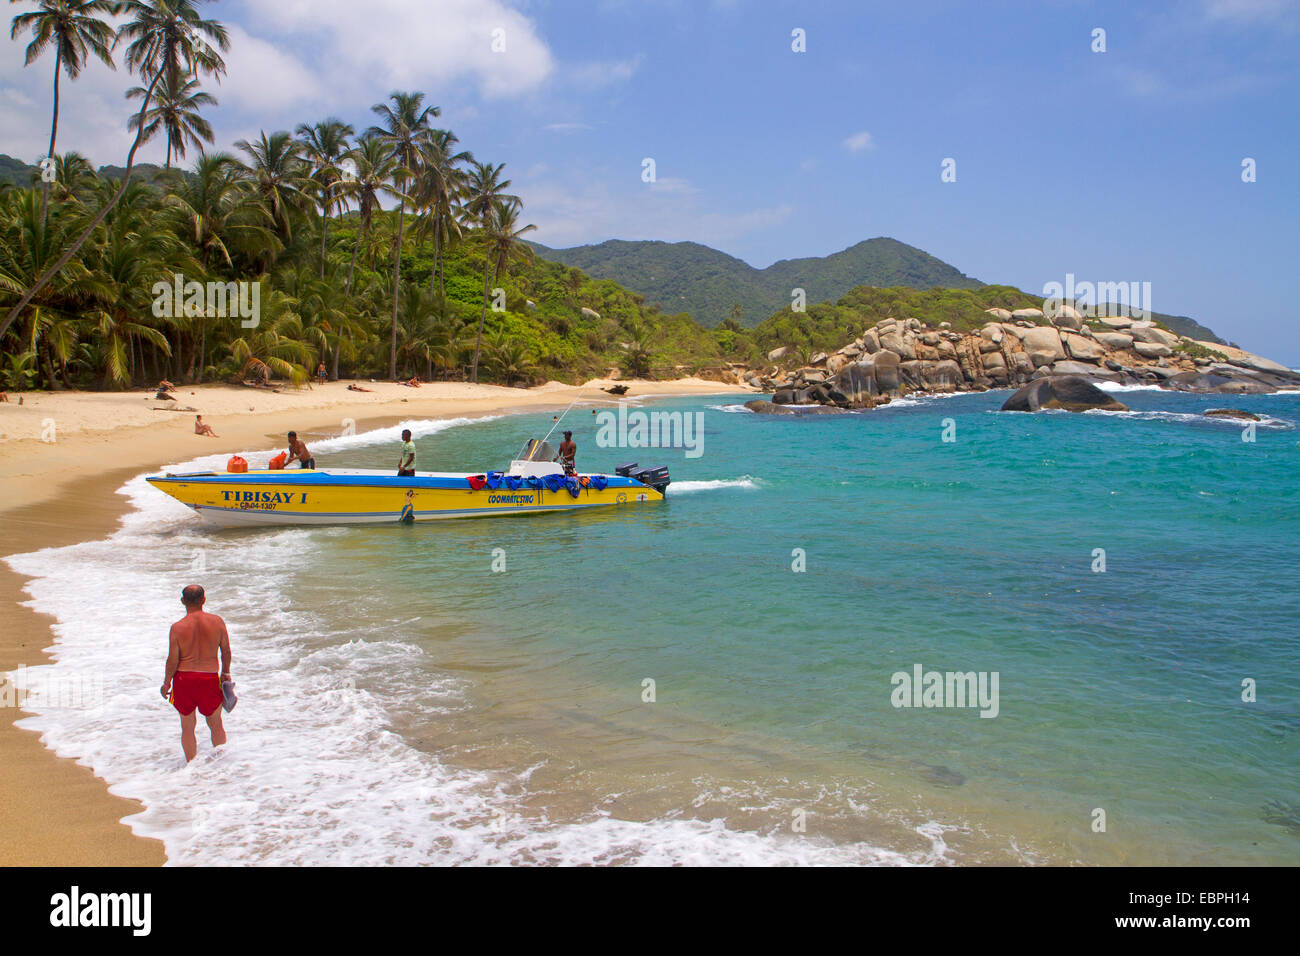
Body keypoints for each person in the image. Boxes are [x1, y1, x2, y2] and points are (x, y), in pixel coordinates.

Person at [160, 585, 232, 763]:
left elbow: (172, 659)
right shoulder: (217, 622)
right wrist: (226, 673)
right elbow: (226, 652)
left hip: (184, 680)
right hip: (208, 678)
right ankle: (221, 765)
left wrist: (167, 682)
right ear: (204, 600)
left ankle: (191, 767)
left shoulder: (177, 628)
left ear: (183, 601)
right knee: (215, 724)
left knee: (187, 726)